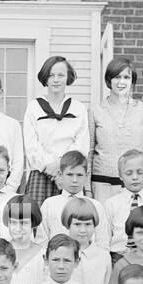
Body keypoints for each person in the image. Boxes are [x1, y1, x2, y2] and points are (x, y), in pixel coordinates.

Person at [23, 55, 91, 208]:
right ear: (45, 78)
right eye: (51, 75)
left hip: (70, 175)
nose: (56, 79)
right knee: (37, 224)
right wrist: (52, 169)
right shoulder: (34, 107)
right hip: (41, 174)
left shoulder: (78, 108)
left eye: (61, 75)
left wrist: (62, 166)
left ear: (68, 78)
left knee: (71, 220)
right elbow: (31, 146)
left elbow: (81, 144)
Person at [91, 56, 143, 202]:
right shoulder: (96, 110)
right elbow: (89, 151)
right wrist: (88, 189)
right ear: (109, 80)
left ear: (132, 82)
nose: (121, 82)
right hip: (102, 186)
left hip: (136, 186)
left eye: (126, 77)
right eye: (117, 77)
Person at [42, 150, 112, 254]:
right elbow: (42, 242)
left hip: (90, 263)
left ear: (87, 175)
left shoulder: (96, 206)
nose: (74, 180)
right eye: (70, 174)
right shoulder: (49, 205)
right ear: (60, 175)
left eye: (79, 175)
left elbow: (102, 243)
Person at [104, 149, 143, 256]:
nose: (135, 177)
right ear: (120, 175)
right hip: (119, 256)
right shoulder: (111, 204)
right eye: (129, 173)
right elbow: (105, 238)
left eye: (140, 172)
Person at [62, 199, 112, 284]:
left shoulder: (103, 257)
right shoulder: (59, 255)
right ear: (68, 225)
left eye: (88, 224)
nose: (83, 230)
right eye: (77, 224)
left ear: (95, 226)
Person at [6, 195, 47, 284]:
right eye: (13, 222)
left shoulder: (43, 255)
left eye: (23, 223)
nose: (18, 228)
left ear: (33, 223)